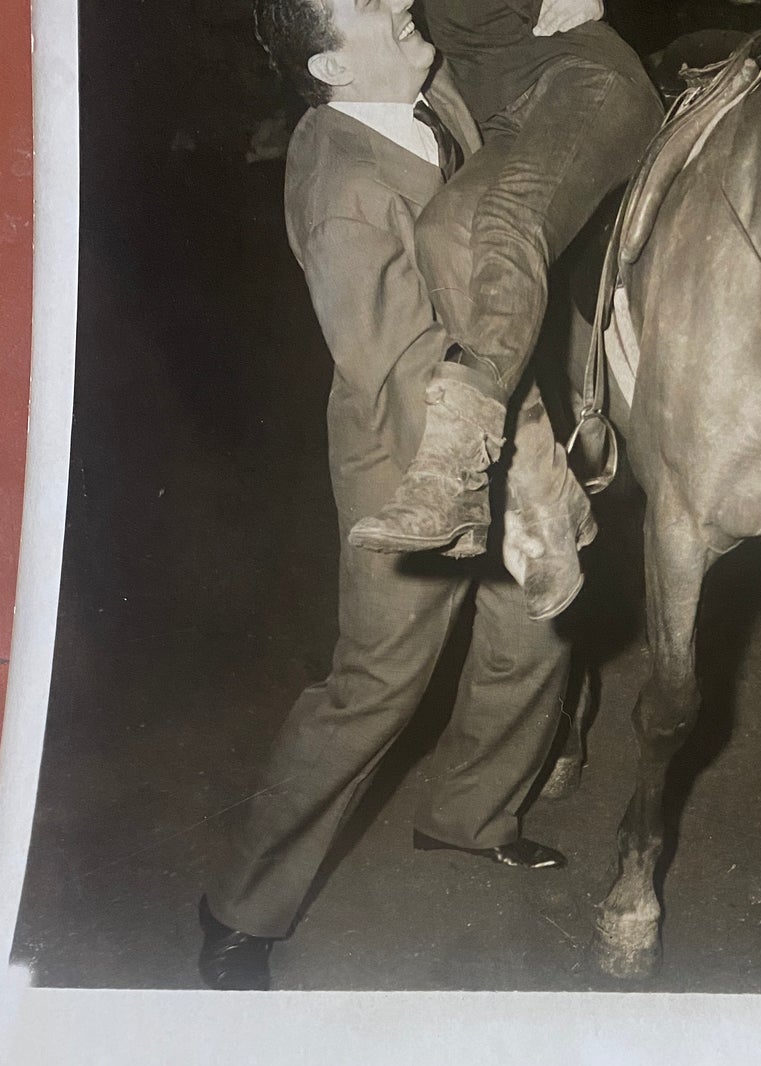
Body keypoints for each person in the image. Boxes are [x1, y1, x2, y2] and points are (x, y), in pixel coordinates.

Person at [199, 0, 576, 991]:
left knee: (532, 625)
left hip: (501, 411)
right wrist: (523, 462)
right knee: (374, 690)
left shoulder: (422, 84)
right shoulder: (342, 192)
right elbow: (397, 366)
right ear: (327, 66)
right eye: (368, 6)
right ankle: (242, 905)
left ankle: (469, 817)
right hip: (410, 462)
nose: (399, 6)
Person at [347, 0, 663, 575]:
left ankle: (454, 460)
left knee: (508, 219)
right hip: (513, 125)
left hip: (585, 83)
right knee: (442, 232)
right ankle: (546, 493)